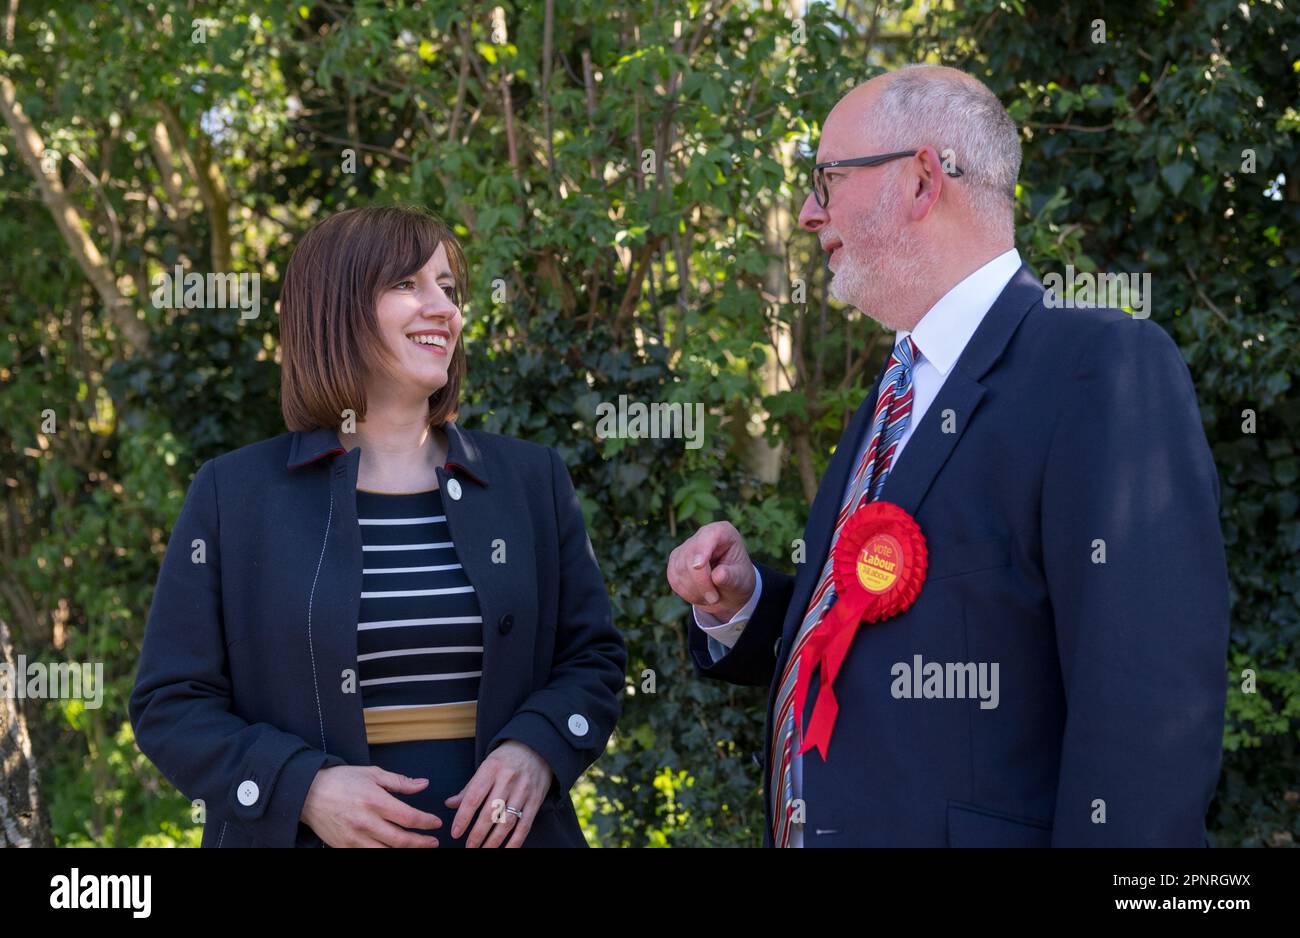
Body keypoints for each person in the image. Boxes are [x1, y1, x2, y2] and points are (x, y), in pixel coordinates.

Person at [666, 65, 1229, 847]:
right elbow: (901, 629)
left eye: (826, 180)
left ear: (923, 181)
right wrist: (748, 606)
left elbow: (1150, 709)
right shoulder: (897, 390)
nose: (805, 213)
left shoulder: (1100, 368)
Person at [130, 205, 627, 847]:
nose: (443, 308)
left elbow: (592, 659)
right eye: (407, 284)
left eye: (448, 289)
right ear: (335, 308)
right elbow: (170, 705)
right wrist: (300, 787)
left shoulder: (530, 481)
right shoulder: (233, 495)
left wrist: (538, 748)